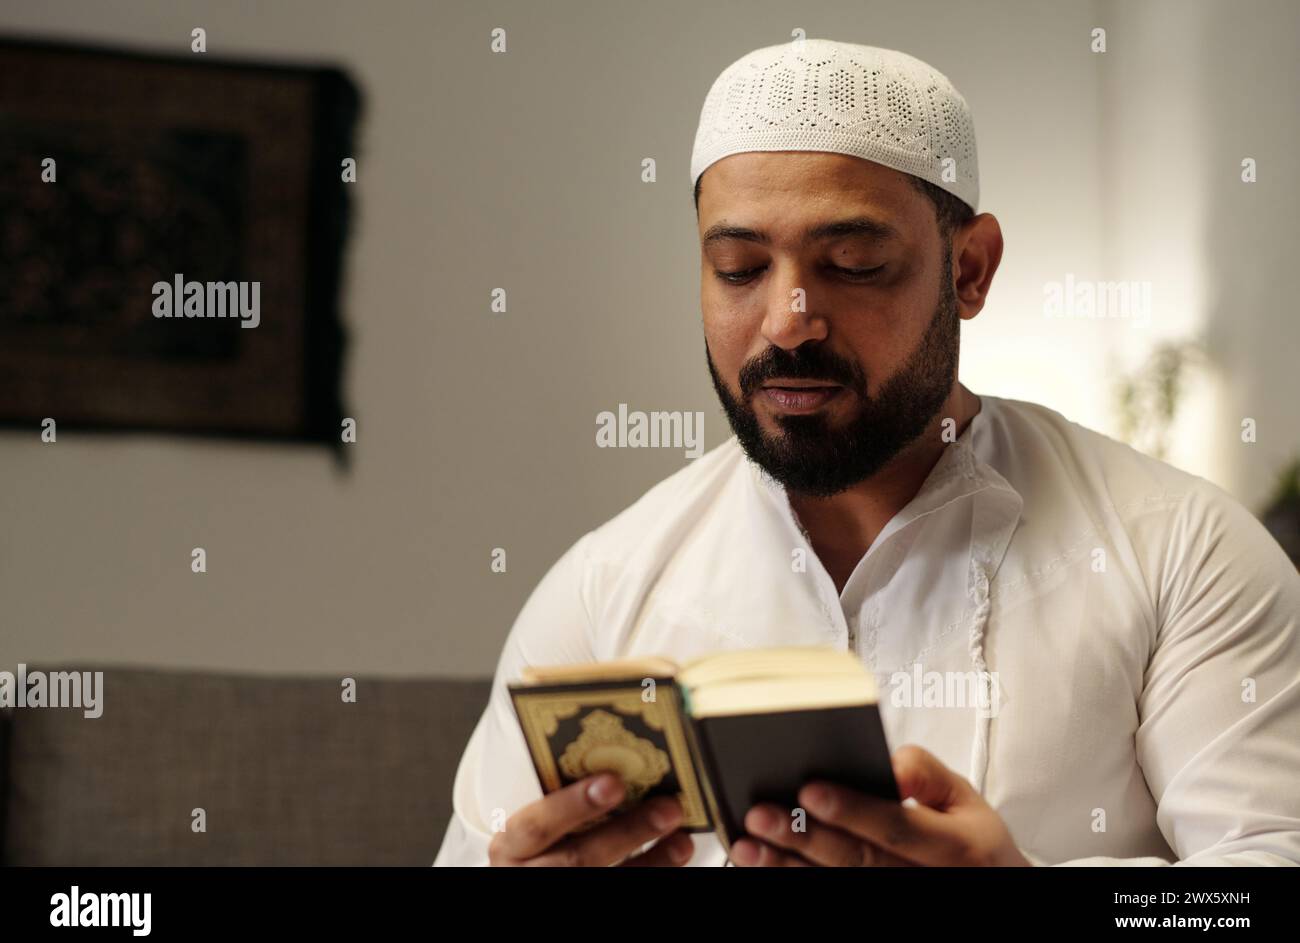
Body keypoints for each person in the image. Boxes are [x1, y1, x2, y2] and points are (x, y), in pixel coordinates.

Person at [434, 38, 1300, 867]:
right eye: (738, 268)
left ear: (970, 270)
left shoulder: (1180, 552)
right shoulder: (606, 589)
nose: (787, 321)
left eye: (852, 264)